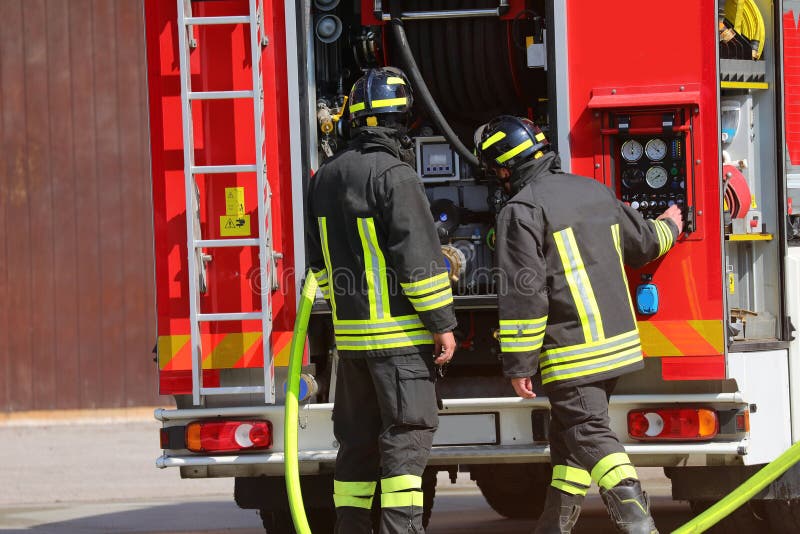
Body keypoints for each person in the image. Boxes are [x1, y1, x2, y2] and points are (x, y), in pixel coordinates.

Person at [475, 115, 683, 534]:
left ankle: (638, 522)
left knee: (588, 433)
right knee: (569, 448)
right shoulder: (593, 190)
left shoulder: (521, 211)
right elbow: (642, 243)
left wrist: (518, 365)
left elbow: (525, 296)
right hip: (618, 350)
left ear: (503, 169)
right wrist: (672, 226)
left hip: (572, 354)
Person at [306, 67, 457, 534]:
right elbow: (418, 261)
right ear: (404, 120)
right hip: (401, 348)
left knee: (356, 446)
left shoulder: (324, 177)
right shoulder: (397, 176)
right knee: (405, 446)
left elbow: (320, 267)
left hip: (350, 348)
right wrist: (442, 324)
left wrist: (349, 313)